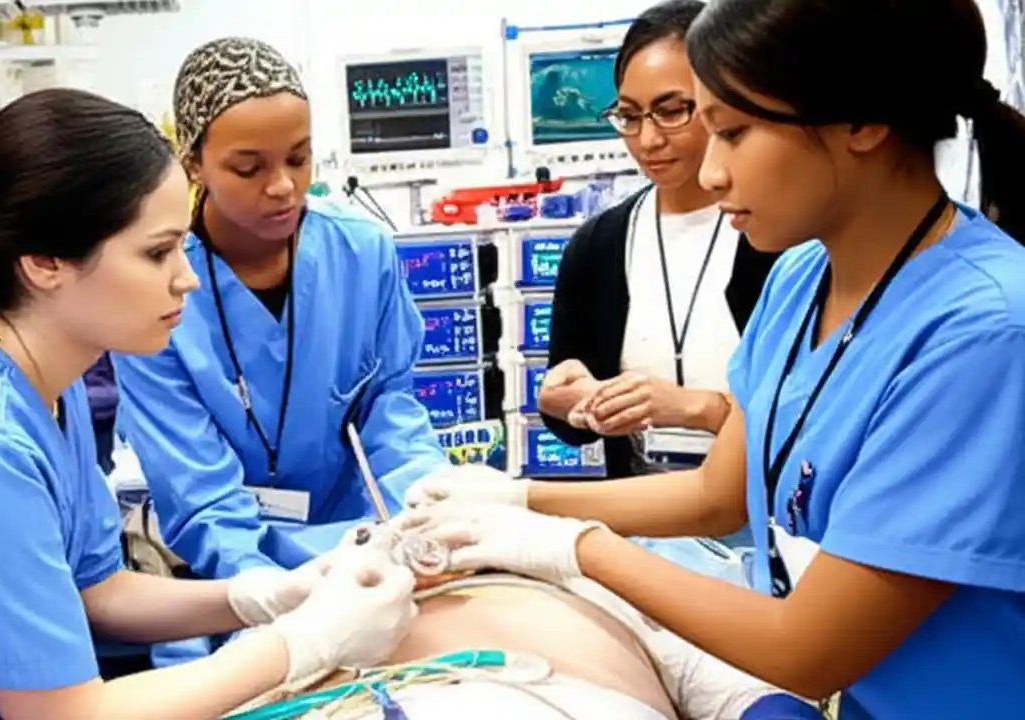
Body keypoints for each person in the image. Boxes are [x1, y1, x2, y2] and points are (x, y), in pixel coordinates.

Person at [402, 0, 1025, 717]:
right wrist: (514, 499)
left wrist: (576, 548)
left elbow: (807, 648)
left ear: (861, 121)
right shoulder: (799, 281)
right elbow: (716, 495)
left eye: (730, 132)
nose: (713, 171)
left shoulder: (982, 334)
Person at [0, 88, 417, 720]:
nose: (186, 278)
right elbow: (66, 712)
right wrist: (307, 643)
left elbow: (96, 592)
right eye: (156, 254)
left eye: (181, 246)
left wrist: (266, 594)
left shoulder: (40, 379)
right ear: (45, 263)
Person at [114, 37, 448, 582]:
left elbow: (392, 412)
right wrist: (262, 589)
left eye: (299, 157)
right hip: (217, 570)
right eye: (248, 169)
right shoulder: (155, 287)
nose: (283, 187)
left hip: (364, 543)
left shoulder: (362, 255)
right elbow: (194, 483)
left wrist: (425, 514)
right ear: (193, 164)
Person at [541, 0, 779, 479]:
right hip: (645, 519)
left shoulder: (778, 233)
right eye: (630, 116)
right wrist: (576, 404)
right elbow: (571, 423)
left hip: (766, 518)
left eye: (672, 112)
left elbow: (813, 420)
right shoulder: (599, 245)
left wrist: (699, 408)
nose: (648, 140)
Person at [235, 530, 818, 720]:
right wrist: (297, 631)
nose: (419, 537)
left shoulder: (596, 588)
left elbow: (749, 692)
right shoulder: (319, 619)